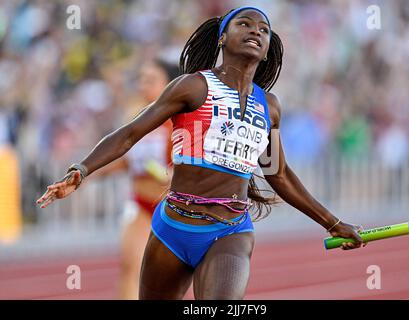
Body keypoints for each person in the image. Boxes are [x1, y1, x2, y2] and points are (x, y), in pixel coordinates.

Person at [37, 6, 366, 300]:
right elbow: (130, 133)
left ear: (267, 51)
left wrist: (332, 222)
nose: (255, 31)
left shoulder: (270, 107)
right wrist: (82, 169)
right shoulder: (193, 87)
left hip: (230, 230)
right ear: (222, 38)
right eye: (245, 24)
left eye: (264, 30)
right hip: (173, 227)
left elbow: (278, 173)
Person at [89, 60, 178, 299]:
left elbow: (194, 168)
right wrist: (85, 174)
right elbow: (127, 160)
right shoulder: (136, 118)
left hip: (171, 211)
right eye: (141, 79)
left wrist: (171, 176)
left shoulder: (182, 121)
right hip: (140, 204)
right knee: (130, 268)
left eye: (150, 80)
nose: (142, 86)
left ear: (170, 86)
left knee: (165, 280)